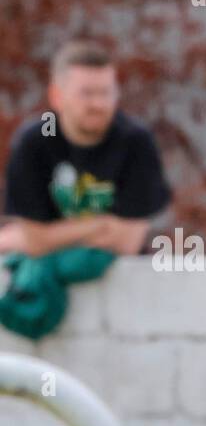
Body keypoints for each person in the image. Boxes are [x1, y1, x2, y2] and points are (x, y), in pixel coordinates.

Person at [0, 40, 172, 339]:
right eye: (87, 93)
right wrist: (101, 226)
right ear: (57, 95)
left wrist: (34, 238)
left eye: (106, 92)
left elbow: (128, 241)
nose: (98, 104)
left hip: (126, 308)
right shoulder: (34, 143)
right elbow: (36, 243)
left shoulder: (135, 142)